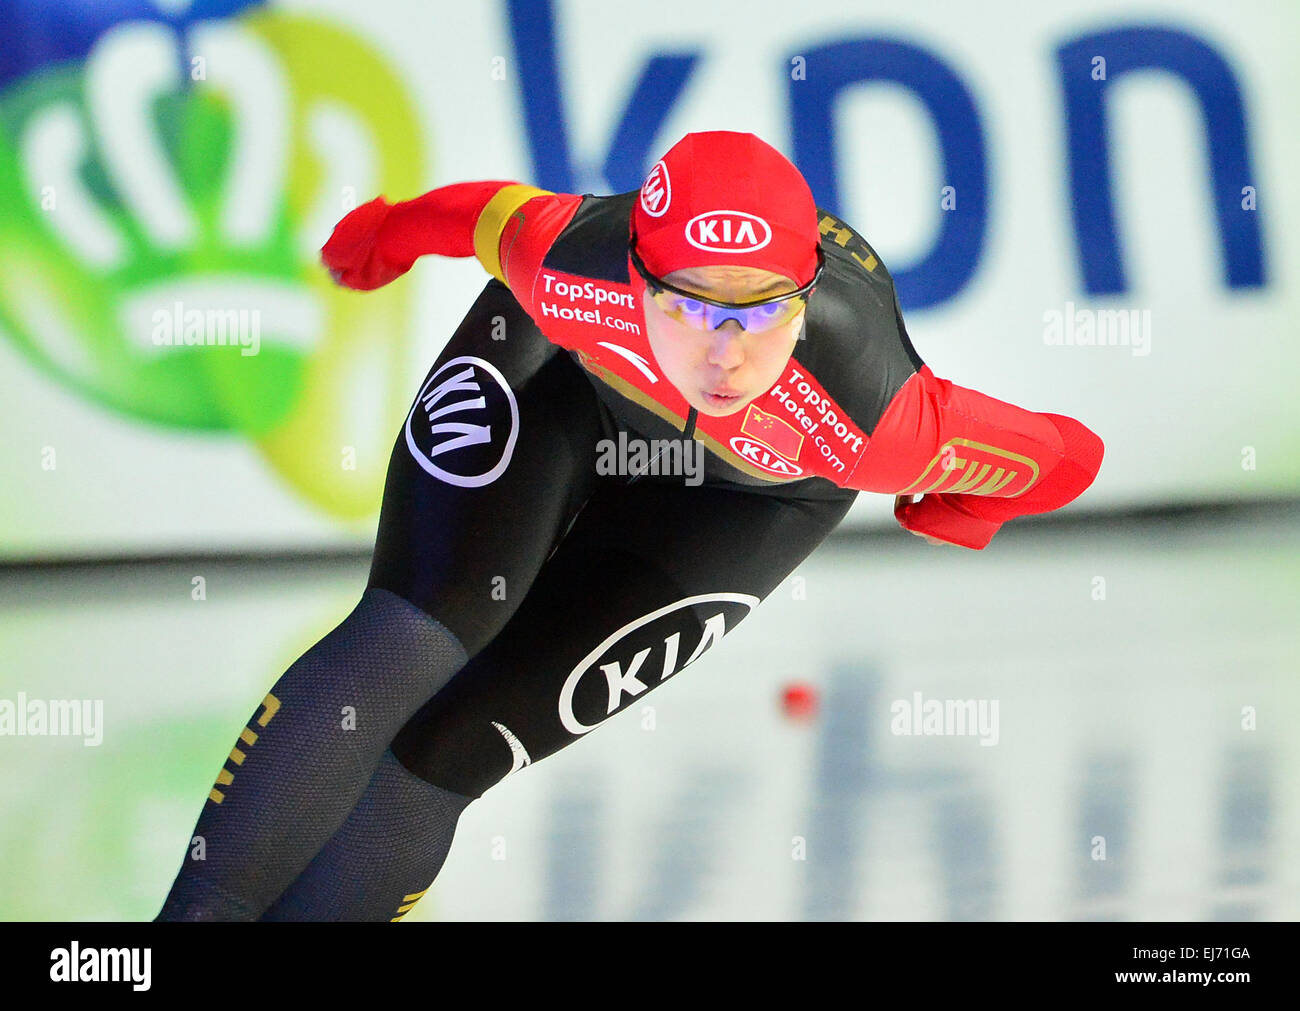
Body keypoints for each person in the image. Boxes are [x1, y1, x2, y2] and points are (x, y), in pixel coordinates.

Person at [154, 130, 1103, 921]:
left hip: (745, 498)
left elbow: (1071, 456)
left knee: (453, 746)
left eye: (761, 310)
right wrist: (392, 233)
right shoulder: (567, 262)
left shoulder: (879, 420)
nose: (724, 353)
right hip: (569, 385)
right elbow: (485, 215)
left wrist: (965, 498)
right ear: (636, 277)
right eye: (690, 305)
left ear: (807, 301)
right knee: (414, 629)